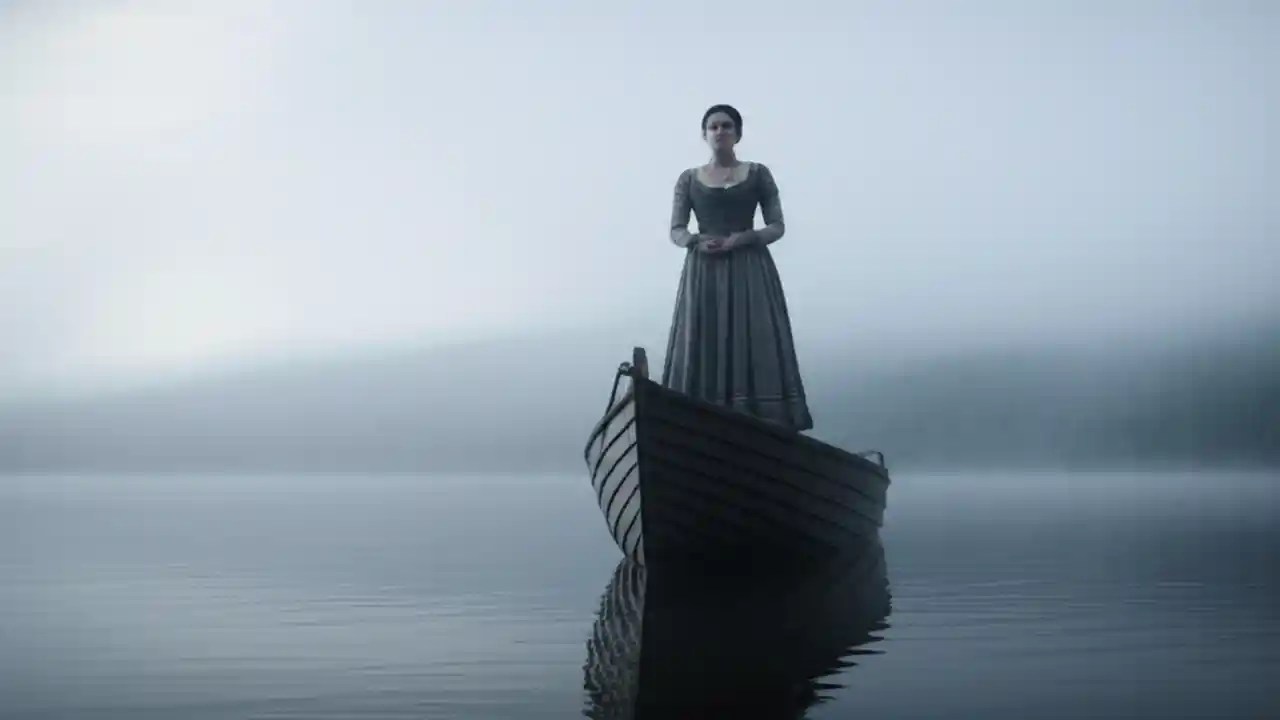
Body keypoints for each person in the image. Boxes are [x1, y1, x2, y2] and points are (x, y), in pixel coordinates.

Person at [663, 104, 814, 432]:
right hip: (703, 270)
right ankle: (695, 422)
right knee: (701, 337)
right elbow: (676, 229)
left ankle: (759, 424)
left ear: (738, 134)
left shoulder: (758, 174)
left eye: (726, 126)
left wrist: (745, 238)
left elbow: (777, 226)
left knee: (755, 336)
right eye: (713, 127)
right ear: (704, 135)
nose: (720, 131)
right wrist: (693, 241)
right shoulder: (688, 179)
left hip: (750, 270)